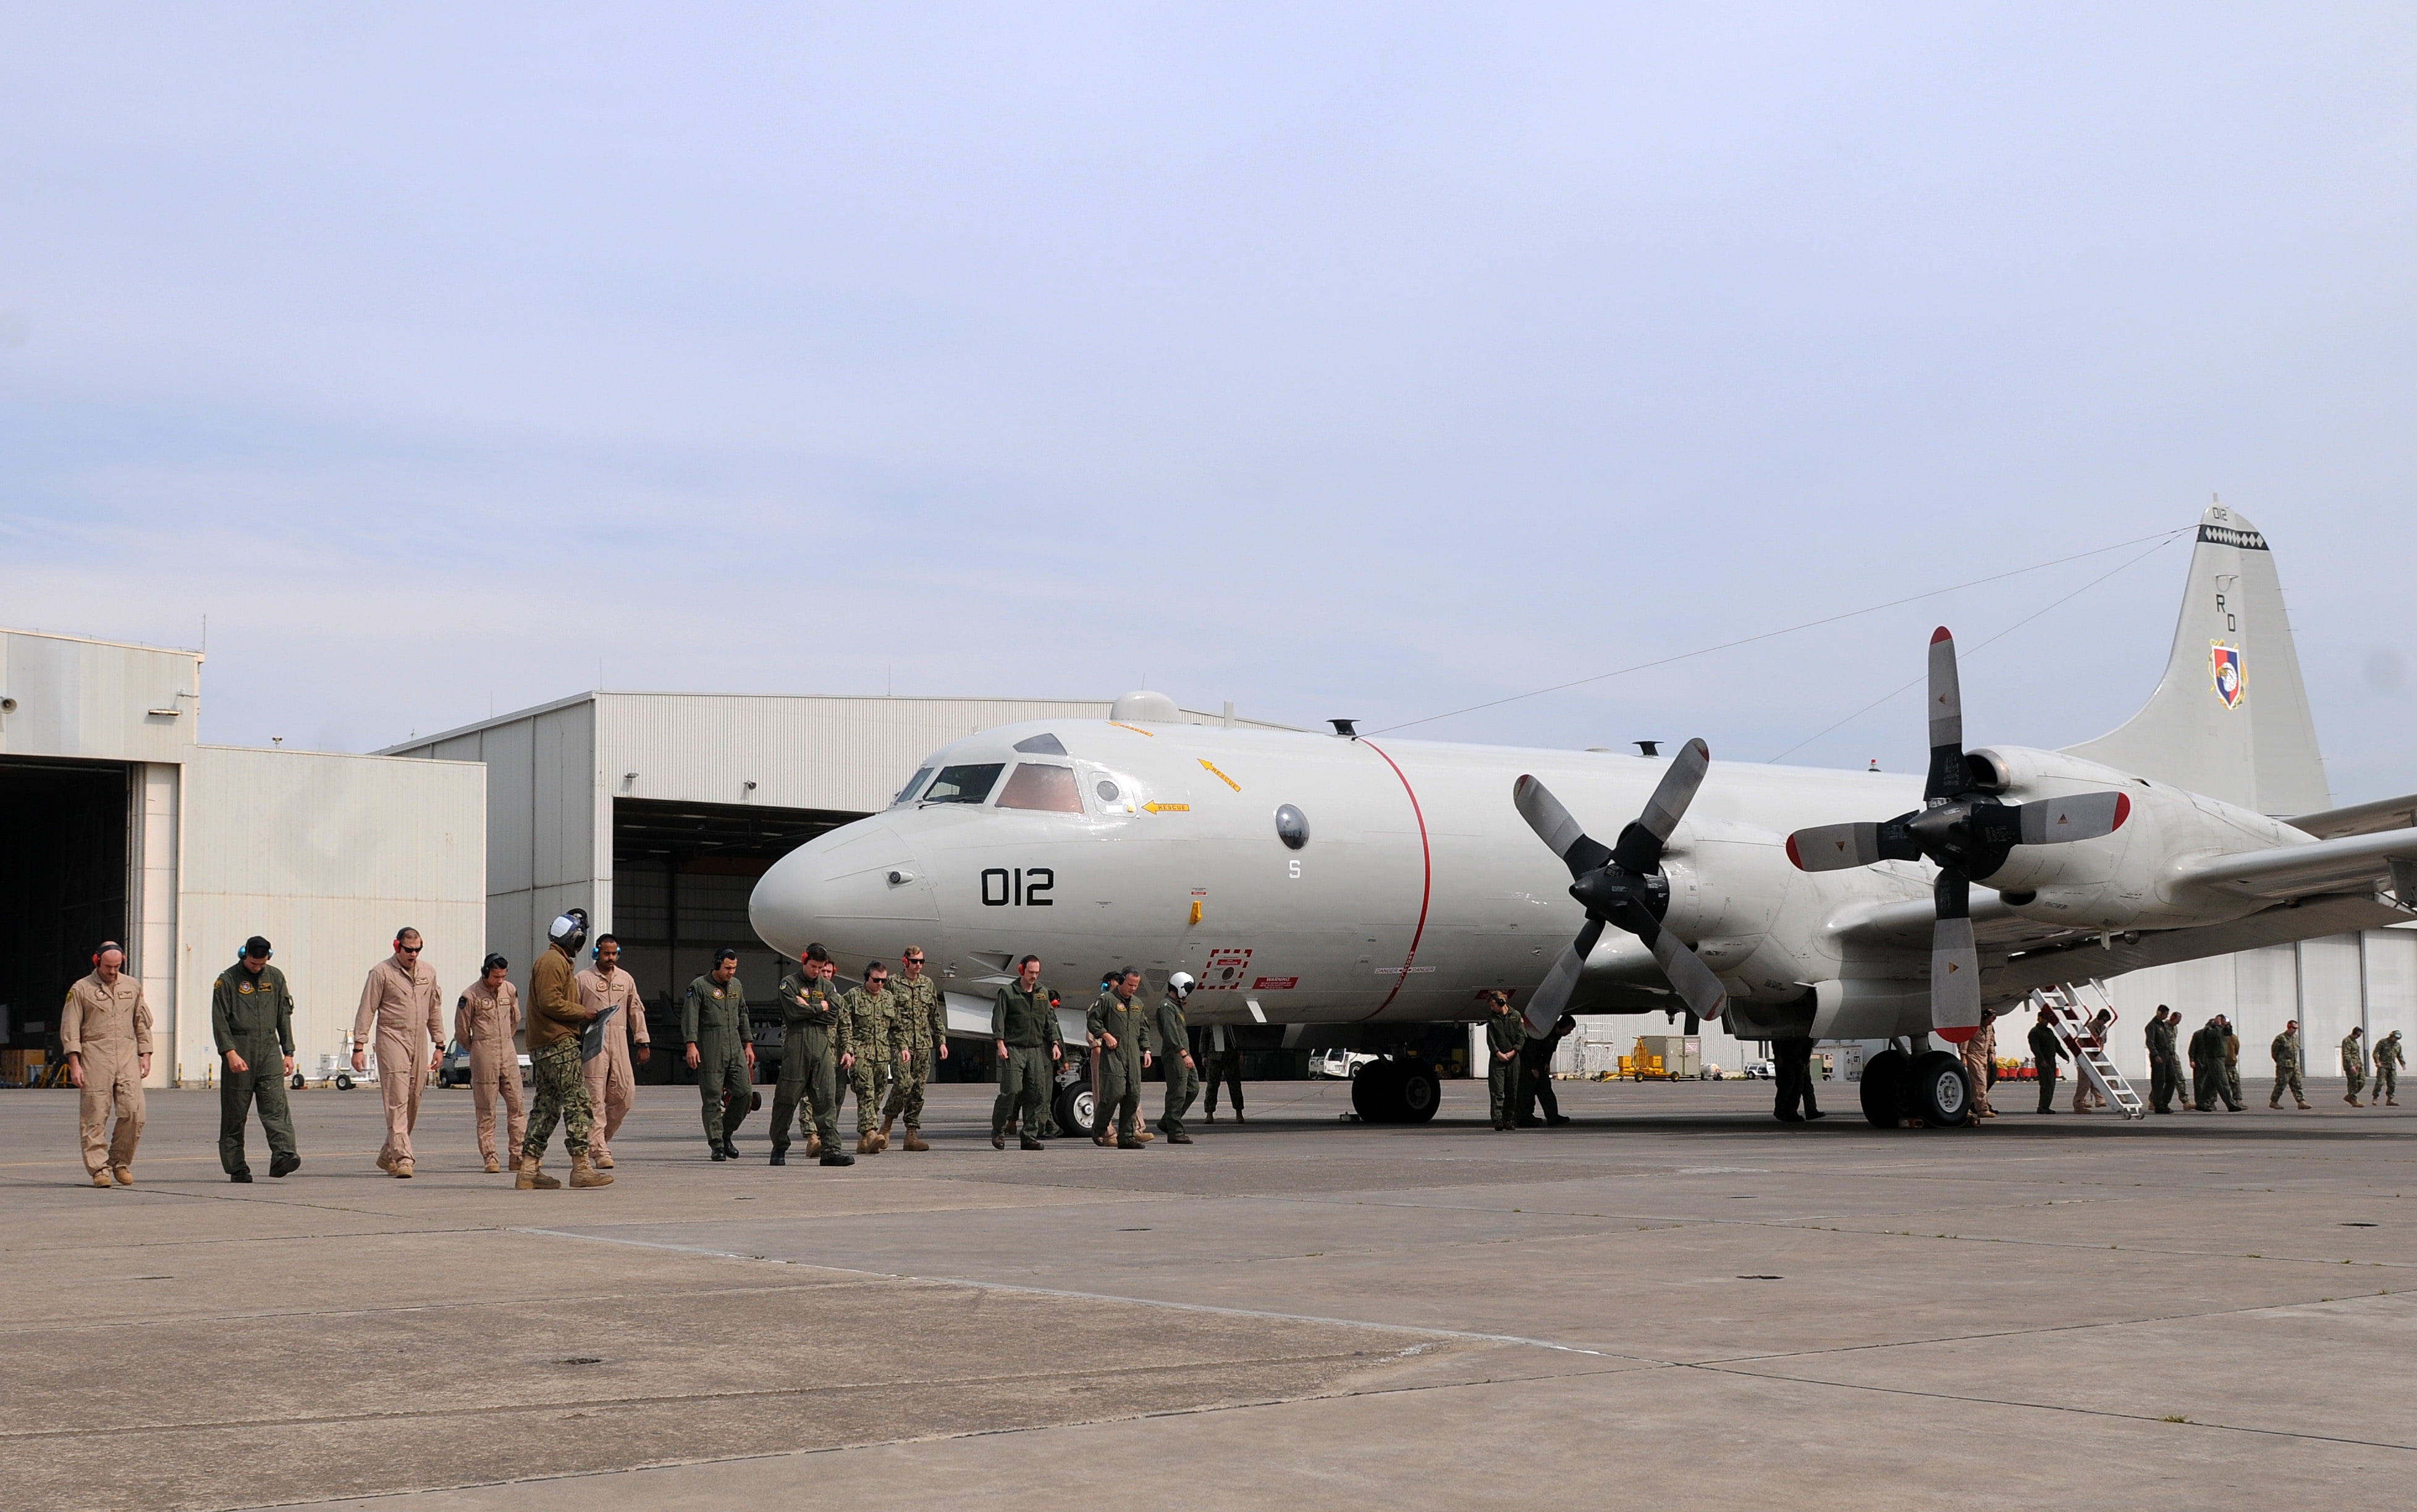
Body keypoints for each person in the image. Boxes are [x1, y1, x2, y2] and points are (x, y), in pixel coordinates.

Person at [520, 909, 610, 1189]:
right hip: (557, 1043)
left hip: (547, 1043)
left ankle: (528, 1170)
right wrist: (583, 1013)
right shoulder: (552, 962)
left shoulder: (555, 961)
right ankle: (581, 1166)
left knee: (547, 1107)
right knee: (579, 1103)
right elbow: (550, 1002)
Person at [352, 926, 446, 1177]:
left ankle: (388, 1154)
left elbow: (434, 1009)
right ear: (397, 947)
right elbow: (367, 1010)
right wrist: (358, 1046)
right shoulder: (381, 973)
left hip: (419, 1041)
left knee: (414, 1098)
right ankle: (404, 1157)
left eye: (417, 950)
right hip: (392, 1038)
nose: (413, 954)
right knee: (397, 1099)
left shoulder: (429, 972)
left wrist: (439, 1044)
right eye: (408, 950)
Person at [61, 941, 151, 1188]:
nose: (112, 972)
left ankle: (120, 1163)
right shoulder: (81, 989)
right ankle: (99, 1169)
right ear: (97, 961)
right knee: (95, 1115)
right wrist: (74, 1063)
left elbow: (141, 1022)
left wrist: (146, 1054)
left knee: (135, 1112)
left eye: (117, 966)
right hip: (94, 1054)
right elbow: (70, 1027)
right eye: (108, 967)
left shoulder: (132, 986)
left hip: (126, 1054)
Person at [213, 937, 299, 1182]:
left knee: (276, 1106)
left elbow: (284, 1016)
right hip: (239, 1050)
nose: (257, 967)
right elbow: (219, 1020)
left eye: (262, 964)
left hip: (269, 1050)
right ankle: (236, 1166)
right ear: (244, 955)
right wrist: (229, 1052)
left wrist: (289, 1052)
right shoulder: (227, 981)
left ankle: (283, 1155)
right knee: (235, 1112)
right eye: (253, 963)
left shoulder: (275, 977)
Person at [770, 946, 854, 1167]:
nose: (816, 971)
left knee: (827, 1100)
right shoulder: (789, 984)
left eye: (820, 967)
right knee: (786, 1100)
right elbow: (793, 1013)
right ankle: (779, 1147)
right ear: (804, 961)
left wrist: (810, 1008)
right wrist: (821, 1008)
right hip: (796, 1050)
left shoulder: (828, 987)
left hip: (821, 1050)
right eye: (813, 966)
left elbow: (834, 1016)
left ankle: (831, 1151)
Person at [576, 934, 649, 1169]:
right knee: (595, 1097)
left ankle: (599, 1140)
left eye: (614, 953)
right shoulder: (582, 979)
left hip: (619, 1039)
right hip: (593, 1041)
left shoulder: (625, 979)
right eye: (606, 953)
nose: (610, 958)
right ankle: (599, 1150)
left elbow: (636, 1009)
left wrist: (643, 1042)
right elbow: (572, 1012)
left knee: (626, 1095)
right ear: (597, 952)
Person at [683, 947, 756, 1159]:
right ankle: (717, 1145)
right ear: (717, 965)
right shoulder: (699, 987)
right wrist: (691, 1045)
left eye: (734, 968)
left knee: (745, 1093)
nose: (731, 972)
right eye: (727, 968)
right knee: (713, 1097)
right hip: (711, 1045)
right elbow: (691, 1017)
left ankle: (725, 1133)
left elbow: (743, 1013)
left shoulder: (737, 986)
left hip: (734, 1044)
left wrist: (748, 1044)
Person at [455, 954, 525, 1174]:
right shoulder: (470, 995)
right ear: (486, 973)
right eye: (496, 976)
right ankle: (490, 1157)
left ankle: (518, 1155)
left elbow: (515, 1019)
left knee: (517, 1106)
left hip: (508, 1051)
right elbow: (461, 1031)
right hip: (484, 1053)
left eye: (503, 976)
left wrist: (505, 1039)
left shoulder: (510, 990)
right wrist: (477, 1048)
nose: (500, 981)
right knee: (487, 1110)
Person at [991, 956, 1061, 1150]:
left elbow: (1049, 1020)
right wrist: (1000, 1043)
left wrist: (1055, 1043)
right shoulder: (1008, 993)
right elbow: (999, 1019)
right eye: (1031, 972)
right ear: (1021, 970)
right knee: (1012, 1090)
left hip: (1036, 1050)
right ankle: (998, 1131)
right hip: (1014, 1049)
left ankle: (1029, 1136)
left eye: (1037, 973)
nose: (1034, 976)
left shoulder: (1043, 994)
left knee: (1038, 1094)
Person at [882, 946, 946, 1152]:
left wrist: (942, 1041)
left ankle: (911, 1133)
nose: (918, 965)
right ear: (905, 961)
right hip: (901, 1043)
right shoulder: (892, 983)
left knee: (917, 1090)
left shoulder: (927, 985)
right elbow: (887, 1014)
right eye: (914, 961)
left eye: (921, 961)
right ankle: (887, 1124)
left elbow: (934, 1016)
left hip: (923, 1045)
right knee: (903, 1084)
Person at [840, 960, 899, 1154]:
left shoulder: (889, 999)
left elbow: (895, 1028)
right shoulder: (853, 997)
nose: (880, 984)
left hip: (882, 1056)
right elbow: (845, 1027)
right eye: (876, 980)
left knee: (876, 1097)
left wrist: (902, 1048)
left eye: (883, 981)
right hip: (861, 1054)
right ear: (867, 978)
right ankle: (871, 1132)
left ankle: (864, 1140)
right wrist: (848, 1051)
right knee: (866, 1093)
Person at [1088, 968, 1149, 1149]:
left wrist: (1146, 1050)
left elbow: (1143, 1029)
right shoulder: (1107, 1000)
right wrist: (1105, 1035)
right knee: (1114, 1094)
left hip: (1132, 1055)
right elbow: (1093, 1020)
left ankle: (1127, 1137)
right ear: (1122, 981)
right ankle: (1099, 1129)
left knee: (1133, 1095)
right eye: (1130, 985)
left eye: (1136, 986)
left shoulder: (1138, 1004)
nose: (1133, 989)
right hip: (1113, 1055)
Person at [1153, 972, 1199, 1143]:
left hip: (1183, 1054)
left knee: (1192, 1088)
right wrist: (1183, 1053)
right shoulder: (1166, 1007)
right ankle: (1175, 1132)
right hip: (1176, 1055)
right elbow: (1171, 1033)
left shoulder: (1175, 1005)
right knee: (1177, 1093)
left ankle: (1168, 1121)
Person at [1518, 1013, 1577, 1127]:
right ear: (1563, 1026)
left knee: (1546, 1090)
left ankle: (1553, 1116)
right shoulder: (1545, 1031)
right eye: (1569, 1029)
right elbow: (1531, 1048)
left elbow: (1550, 1050)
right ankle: (1525, 1118)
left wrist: (1547, 1063)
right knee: (1527, 1092)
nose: (1569, 1033)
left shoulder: (1557, 1035)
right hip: (1528, 1063)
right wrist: (1533, 1068)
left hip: (1540, 1063)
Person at [1485, 992, 1524, 1131]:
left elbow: (1521, 1036)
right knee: (1497, 1091)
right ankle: (1498, 1119)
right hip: (1498, 1059)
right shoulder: (1492, 1019)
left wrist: (1514, 1052)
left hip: (1513, 1059)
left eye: (1493, 1005)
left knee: (1512, 1090)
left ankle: (1508, 1120)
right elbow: (1491, 1039)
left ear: (1501, 1003)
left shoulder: (1516, 1016)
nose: (1492, 1008)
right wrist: (1498, 1053)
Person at [2190, 1017, 2243, 1111]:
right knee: (2223, 1083)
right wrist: (2218, 1026)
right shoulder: (2208, 1031)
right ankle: (2231, 1105)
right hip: (2215, 1059)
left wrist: (2228, 1026)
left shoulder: (2220, 1030)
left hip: (2220, 1059)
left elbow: (2229, 1033)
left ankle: (2202, 1103)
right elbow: (2211, 1035)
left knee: (2209, 1084)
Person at [2072, 1007, 2115, 1113]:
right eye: (2104, 1020)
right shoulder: (2090, 1027)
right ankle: (2078, 1103)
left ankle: (2099, 1099)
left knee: (2102, 1078)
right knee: (2084, 1082)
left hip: (2097, 1057)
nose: (2104, 1023)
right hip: (2087, 1057)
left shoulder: (2103, 1028)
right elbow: (2082, 1042)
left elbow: (2103, 1042)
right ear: (2099, 1018)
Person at [1200, 1022, 1246, 1124]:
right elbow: (1204, 1037)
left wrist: (1242, 1053)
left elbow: (1239, 1036)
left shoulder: (1231, 1020)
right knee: (1212, 1086)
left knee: (1235, 1086)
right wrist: (1204, 1055)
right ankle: (1209, 1113)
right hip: (1214, 1056)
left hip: (1231, 1055)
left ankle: (1239, 1112)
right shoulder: (1210, 1021)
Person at [1960, 1010, 1998, 1123]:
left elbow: (1991, 1040)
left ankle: (1965, 1107)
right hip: (1973, 1055)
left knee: (1976, 1085)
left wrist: (1992, 1053)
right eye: (1989, 1020)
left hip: (1984, 1056)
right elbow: (1965, 1040)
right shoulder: (1974, 1027)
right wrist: (1964, 1056)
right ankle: (1983, 1109)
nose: (1990, 1023)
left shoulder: (1989, 1027)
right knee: (1980, 1083)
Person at [2146, 1006, 2182, 1115]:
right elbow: (2150, 1042)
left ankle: (2165, 1102)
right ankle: (2158, 1105)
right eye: (2165, 1014)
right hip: (2159, 1055)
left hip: (2167, 1055)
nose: (2166, 1016)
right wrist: (2156, 1054)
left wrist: (2172, 1054)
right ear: (2159, 1013)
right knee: (2158, 1081)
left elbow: (2168, 1041)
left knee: (2172, 1078)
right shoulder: (2152, 1026)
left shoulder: (2163, 1026)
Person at [2029, 1008, 2066, 1114]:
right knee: (2046, 1084)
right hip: (2043, 1061)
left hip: (2051, 1060)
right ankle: (2042, 1107)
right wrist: (2041, 1060)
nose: (2047, 1021)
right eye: (2045, 1019)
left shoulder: (2049, 1031)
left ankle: (2046, 1106)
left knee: (2051, 1084)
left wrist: (2064, 1055)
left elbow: (2056, 1045)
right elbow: (2035, 1048)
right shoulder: (2035, 1032)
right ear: (2040, 1019)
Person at [2269, 1020, 2309, 1109]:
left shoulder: (2295, 1038)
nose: (2295, 1030)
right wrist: (2280, 1061)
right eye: (2294, 1028)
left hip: (2294, 1065)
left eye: (2296, 1028)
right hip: (2284, 1066)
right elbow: (2274, 1051)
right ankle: (2274, 1101)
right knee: (2281, 1084)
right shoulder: (2281, 1038)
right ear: (2289, 1027)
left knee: (2297, 1084)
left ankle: (2301, 1102)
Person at [2374, 1029, 2405, 1107]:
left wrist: (2403, 1064)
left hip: (2392, 1067)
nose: (2396, 1040)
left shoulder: (2398, 1045)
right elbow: (2376, 1052)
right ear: (2391, 1036)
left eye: (2397, 1039)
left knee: (2392, 1083)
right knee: (2380, 1082)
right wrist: (2377, 1062)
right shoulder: (2383, 1042)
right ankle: (2375, 1097)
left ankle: (2390, 1099)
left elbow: (2399, 1055)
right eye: (2395, 1038)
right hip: (2383, 1066)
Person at [2342, 1026, 2368, 1107]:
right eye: (2358, 1035)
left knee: (2362, 1081)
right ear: (2354, 1033)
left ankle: (2350, 1096)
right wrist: (2351, 1066)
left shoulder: (2354, 1041)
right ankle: (2353, 1099)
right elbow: (2346, 1054)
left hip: (2358, 1064)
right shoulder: (2347, 1041)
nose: (2358, 1037)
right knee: (2353, 1083)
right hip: (2351, 1065)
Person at [2221, 1015, 2243, 1107]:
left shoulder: (2233, 1038)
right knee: (2215, 1084)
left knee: (2235, 1082)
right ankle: (2211, 1102)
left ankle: (2238, 1100)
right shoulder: (2218, 1037)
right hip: (2220, 1064)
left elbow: (2237, 1049)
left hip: (2230, 1064)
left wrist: (2232, 1057)